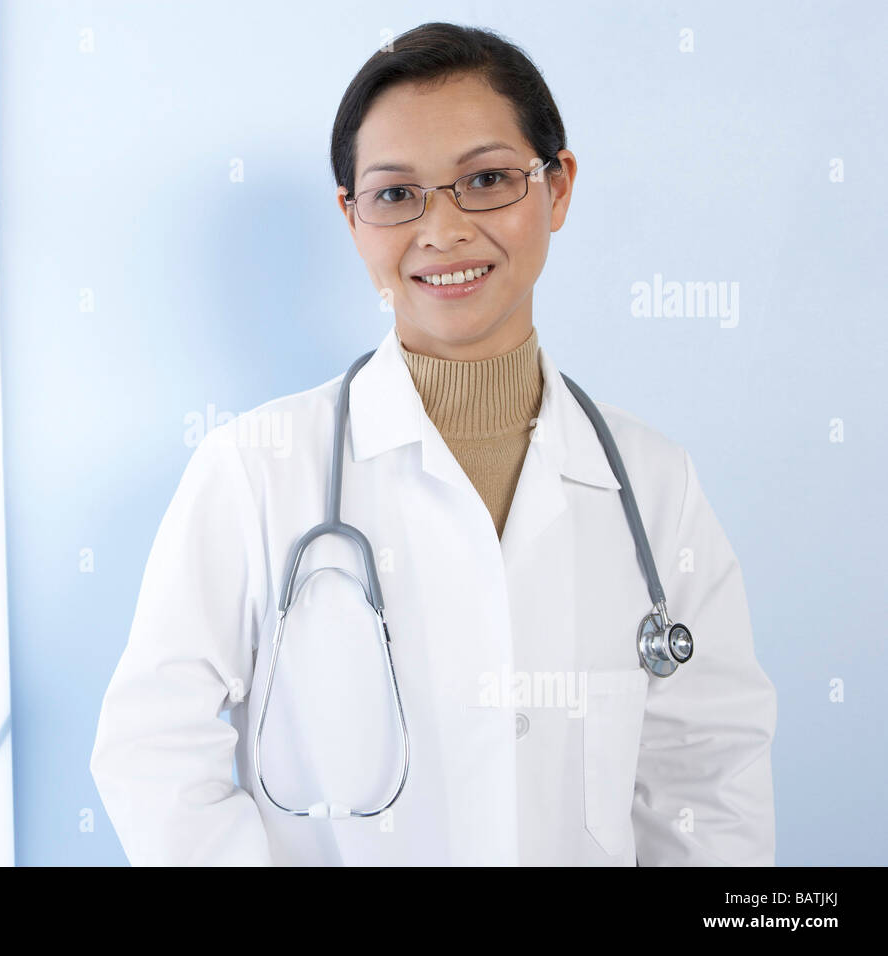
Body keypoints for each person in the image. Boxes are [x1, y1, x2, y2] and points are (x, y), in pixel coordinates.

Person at [89, 22, 776, 866]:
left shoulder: (652, 484)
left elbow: (709, 778)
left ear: (557, 188)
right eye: (395, 194)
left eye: (487, 180)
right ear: (351, 217)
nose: (442, 230)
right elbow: (152, 754)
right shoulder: (254, 470)